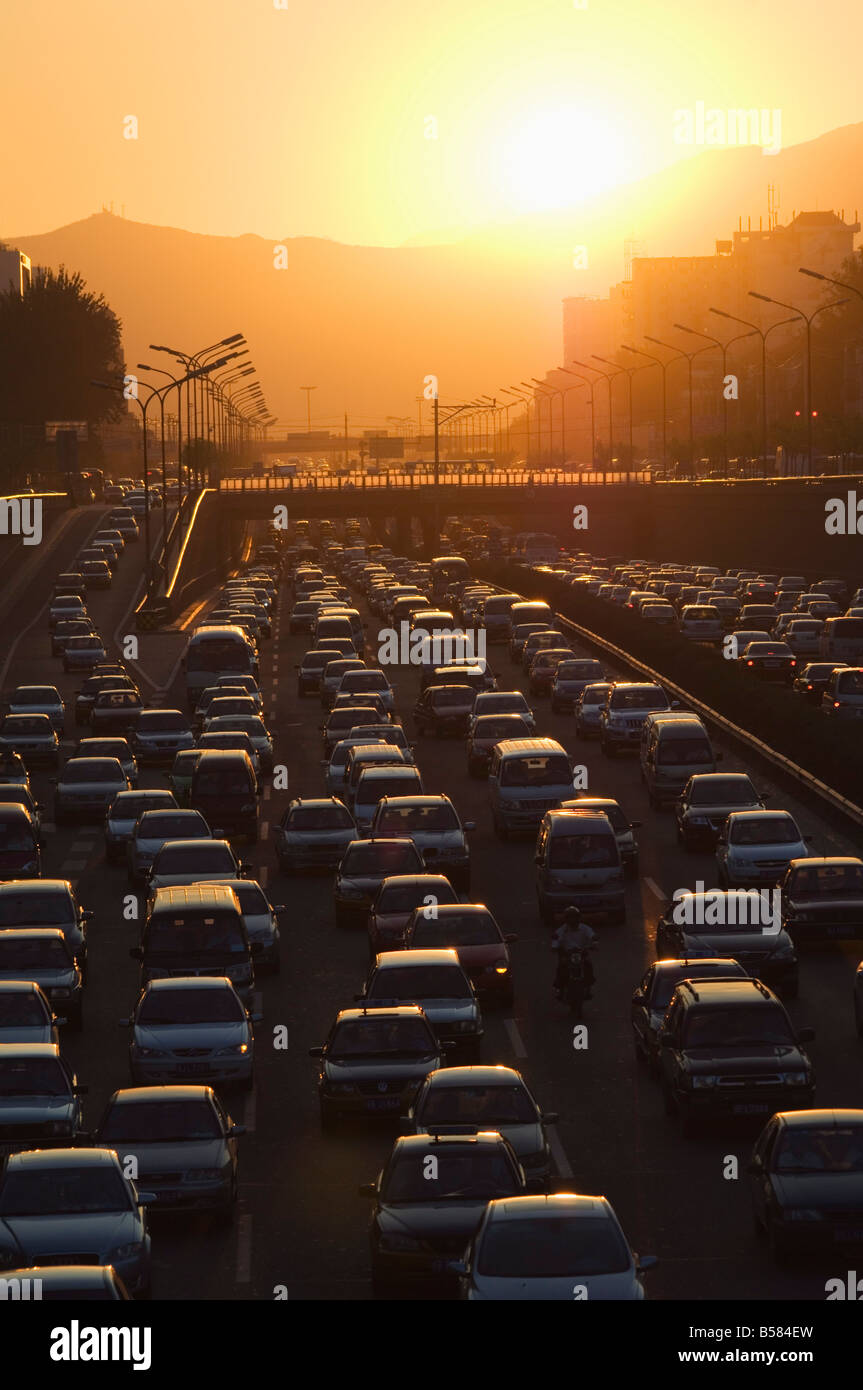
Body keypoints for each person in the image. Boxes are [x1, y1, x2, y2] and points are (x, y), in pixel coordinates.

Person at [552, 906, 596, 997]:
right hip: (567, 953)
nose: (573, 920)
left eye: (575, 917)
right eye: (570, 917)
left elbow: (592, 935)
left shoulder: (584, 928)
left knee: (588, 964)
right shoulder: (562, 930)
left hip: (581, 952)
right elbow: (556, 939)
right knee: (561, 967)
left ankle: (588, 986)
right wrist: (555, 947)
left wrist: (594, 942)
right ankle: (559, 987)